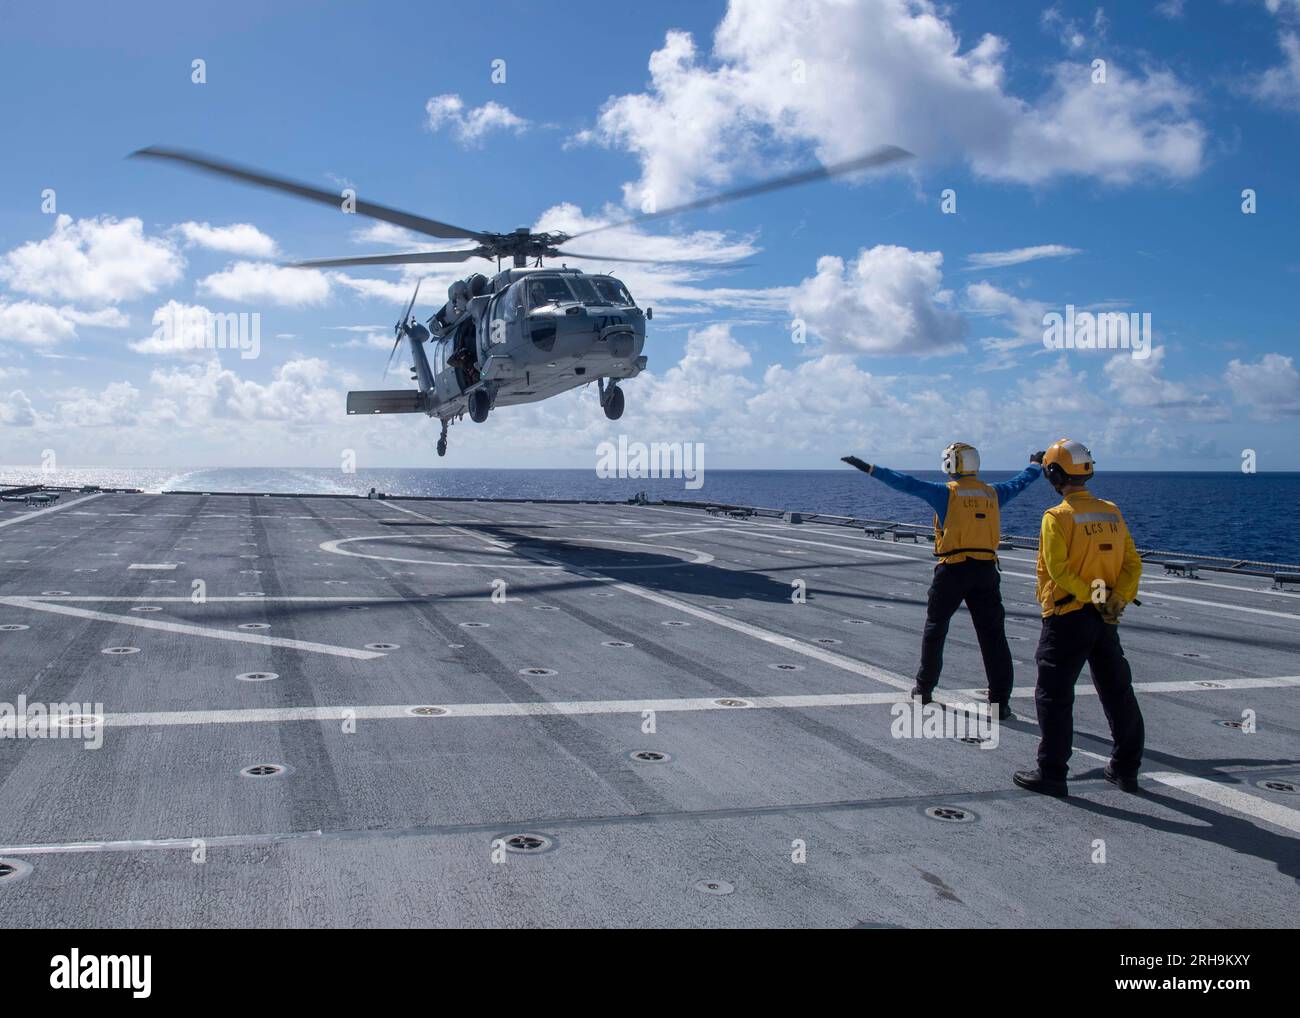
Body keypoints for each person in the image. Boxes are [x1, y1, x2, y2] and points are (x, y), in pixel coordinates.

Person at [842, 444, 1044, 719]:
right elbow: (1021, 482)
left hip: (953, 570)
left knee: (936, 629)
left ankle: (924, 689)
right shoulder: (993, 493)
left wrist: (869, 468)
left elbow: (906, 484)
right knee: (994, 638)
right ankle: (1000, 703)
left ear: (951, 464)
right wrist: (1035, 465)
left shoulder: (946, 493)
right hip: (986, 572)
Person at [1013, 438, 1144, 798]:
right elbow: (1132, 564)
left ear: (1055, 474)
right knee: (1118, 692)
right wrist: (1116, 598)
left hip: (1068, 616)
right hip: (1106, 618)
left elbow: (1058, 570)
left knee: (1054, 696)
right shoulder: (1111, 512)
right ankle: (1126, 768)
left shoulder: (1057, 517)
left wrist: (1092, 595)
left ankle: (1052, 774)